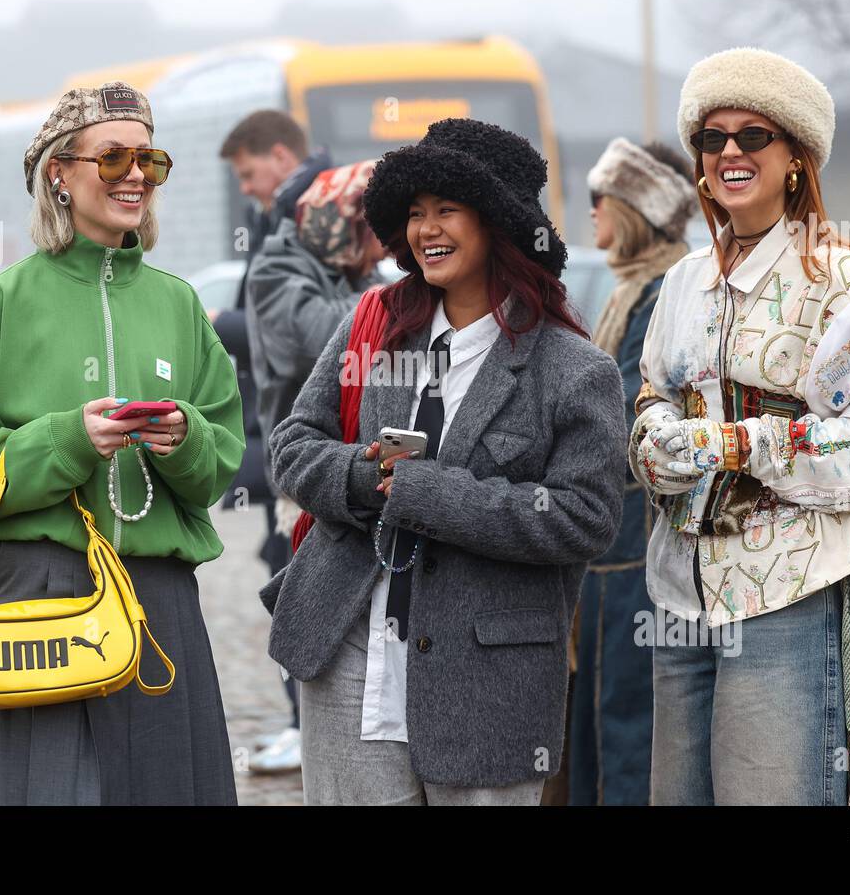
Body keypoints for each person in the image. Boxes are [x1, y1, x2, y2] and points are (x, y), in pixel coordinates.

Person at [261, 118, 627, 805]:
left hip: (488, 679)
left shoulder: (574, 369)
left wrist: (433, 494)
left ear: (495, 224)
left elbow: (585, 518)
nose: (427, 228)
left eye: (447, 211)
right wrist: (367, 479)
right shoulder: (374, 320)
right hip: (348, 656)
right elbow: (293, 446)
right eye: (417, 212)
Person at [630, 48, 850, 806]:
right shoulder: (682, 280)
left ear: (796, 159)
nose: (731, 152)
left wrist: (745, 444)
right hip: (678, 590)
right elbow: (653, 391)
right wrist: (655, 444)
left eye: (753, 136)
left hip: (789, 591)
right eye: (713, 138)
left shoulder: (842, 281)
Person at [0, 81, 244, 805]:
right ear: (59, 174)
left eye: (149, 160)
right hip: (42, 599)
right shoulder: (0, 305)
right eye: (112, 158)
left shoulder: (179, 303)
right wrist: (68, 440)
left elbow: (221, 460)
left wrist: (184, 438)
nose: (135, 174)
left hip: (160, 604)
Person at [240, 159, 384, 771]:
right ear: (339, 220)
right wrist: (386, 306)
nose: (384, 243)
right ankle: (307, 727)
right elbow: (327, 334)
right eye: (373, 226)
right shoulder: (278, 270)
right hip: (301, 475)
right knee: (303, 596)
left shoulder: (354, 270)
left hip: (358, 469)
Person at [567, 137, 696, 806]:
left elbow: (618, 415)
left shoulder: (666, 292)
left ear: (637, 208)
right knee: (595, 716)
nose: (591, 211)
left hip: (637, 549)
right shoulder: (630, 289)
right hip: (608, 547)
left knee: (625, 720)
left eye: (602, 197)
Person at [218, 111, 332, 767]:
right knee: (283, 572)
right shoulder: (284, 213)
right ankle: (300, 719)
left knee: (297, 577)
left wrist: (216, 323)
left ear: (281, 156)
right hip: (279, 430)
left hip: (296, 432)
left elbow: (283, 335)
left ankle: (309, 723)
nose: (245, 188)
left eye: (249, 172)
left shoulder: (308, 215)